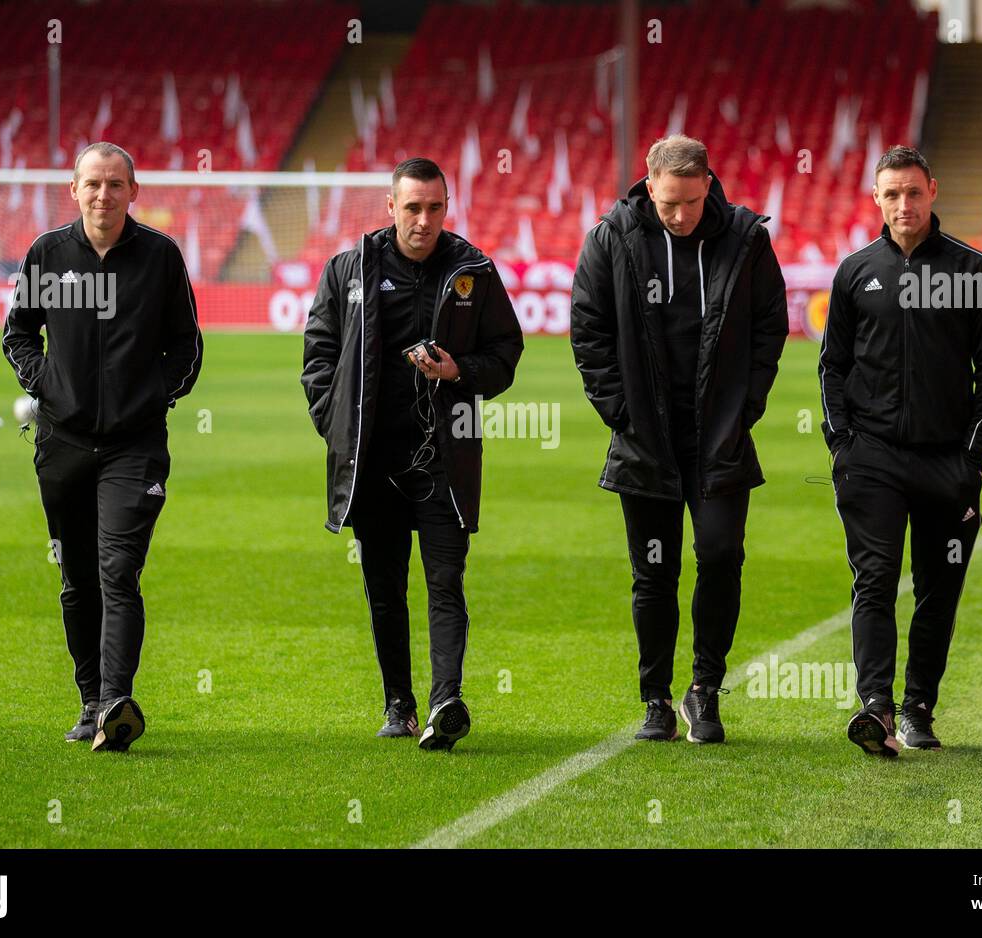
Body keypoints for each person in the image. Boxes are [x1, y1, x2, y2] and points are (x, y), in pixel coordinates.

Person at [570, 134, 789, 744]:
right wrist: (620, 411)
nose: (681, 216)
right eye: (670, 204)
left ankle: (705, 690)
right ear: (649, 186)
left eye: (692, 202)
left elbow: (771, 323)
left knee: (720, 557)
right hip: (646, 439)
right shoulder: (612, 237)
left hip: (718, 438)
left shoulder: (745, 238)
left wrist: (747, 406)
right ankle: (656, 698)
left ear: (709, 185)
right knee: (653, 573)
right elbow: (587, 328)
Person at [301, 157, 523, 751]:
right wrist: (336, 424)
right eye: (412, 208)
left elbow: (507, 351)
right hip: (374, 467)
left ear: (446, 209)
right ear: (390, 208)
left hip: (444, 464)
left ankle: (445, 701)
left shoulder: (473, 270)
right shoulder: (350, 269)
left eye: (434, 208)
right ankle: (398, 703)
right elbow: (318, 352)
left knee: (446, 582)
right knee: (384, 588)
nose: (423, 220)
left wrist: (460, 370)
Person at [2, 141, 202, 752]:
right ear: (75, 190)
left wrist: (150, 399)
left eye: (116, 184)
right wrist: (45, 385)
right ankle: (90, 703)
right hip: (62, 443)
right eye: (93, 184)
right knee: (76, 578)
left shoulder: (161, 257)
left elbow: (187, 348)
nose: (103, 195)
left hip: (133, 448)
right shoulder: (48, 253)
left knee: (119, 570)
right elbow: (18, 334)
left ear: (133, 192)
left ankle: (117, 701)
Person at [819, 145, 982, 757]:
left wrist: (970, 457)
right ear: (876, 199)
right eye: (891, 194)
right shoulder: (854, 271)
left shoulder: (975, 271)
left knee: (938, 589)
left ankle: (918, 707)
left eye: (913, 191)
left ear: (933, 190)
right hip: (870, 459)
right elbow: (832, 366)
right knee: (873, 581)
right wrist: (842, 447)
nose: (904, 204)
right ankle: (874, 708)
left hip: (945, 462)